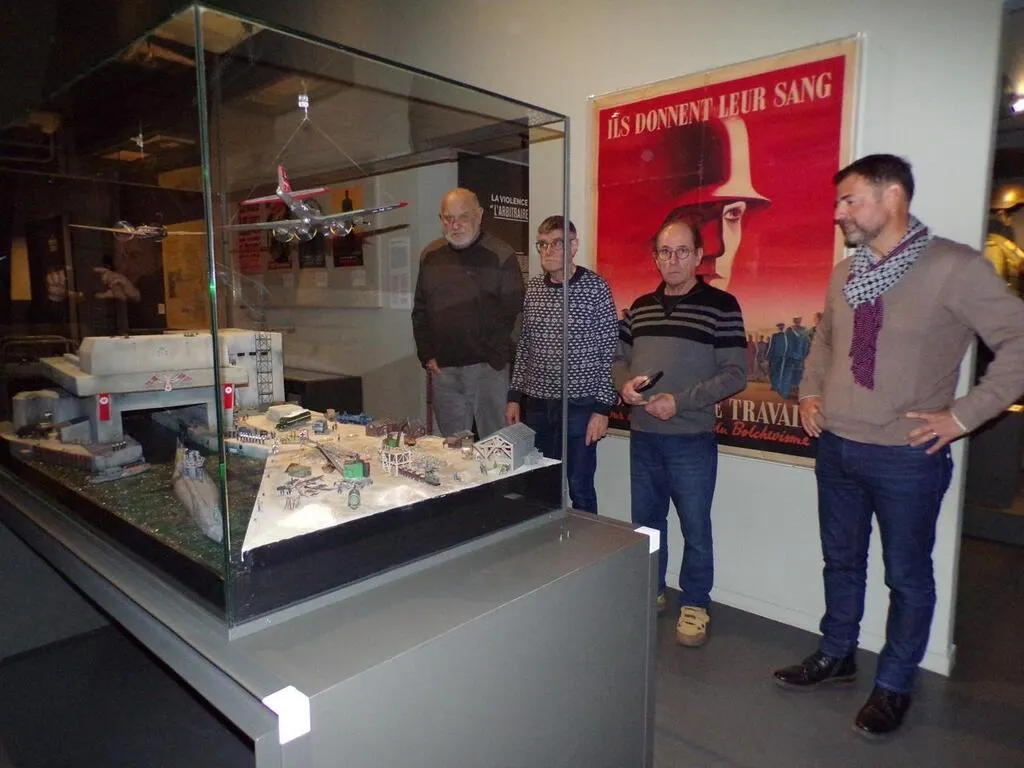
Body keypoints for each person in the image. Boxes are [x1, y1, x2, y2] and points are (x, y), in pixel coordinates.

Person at [772, 154, 1024, 738]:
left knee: (906, 577)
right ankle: (836, 655)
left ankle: (895, 684)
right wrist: (811, 395)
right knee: (841, 562)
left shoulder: (955, 268)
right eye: (839, 202)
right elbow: (825, 344)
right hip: (836, 447)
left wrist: (962, 416)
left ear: (892, 199)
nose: (838, 213)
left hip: (906, 459)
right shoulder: (845, 273)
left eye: (850, 200)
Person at [612, 213, 747, 647]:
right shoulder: (641, 308)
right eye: (664, 252)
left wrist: (680, 401)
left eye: (682, 251)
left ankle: (696, 603)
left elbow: (735, 374)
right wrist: (624, 385)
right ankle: (650, 589)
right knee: (647, 524)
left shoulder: (722, 307)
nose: (672, 260)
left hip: (691, 439)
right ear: (655, 258)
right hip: (644, 437)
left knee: (695, 526)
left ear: (699, 256)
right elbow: (617, 358)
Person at [505, 216, 619, 514]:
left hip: (581, 405)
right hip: (539, 405)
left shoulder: (596, 289)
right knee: (541, 483)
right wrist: (515, 395)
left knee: (580, 486)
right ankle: (546, 552)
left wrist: (603, 408)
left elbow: (611, 353)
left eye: (556, 243)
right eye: (542, 244)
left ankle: (586, 552)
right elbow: (525, 345)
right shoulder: (533, 290)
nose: (548, 251)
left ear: (573, 246)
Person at [412, 187, 525, 438]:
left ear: (479, 215)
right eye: (447, 218)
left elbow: (517, 313)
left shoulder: (500, 254)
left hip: (488, 371)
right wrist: (427, 354)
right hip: (444, 372)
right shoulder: (430, 255)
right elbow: (420, 310)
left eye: (462, 216)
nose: (455, 225)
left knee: (496, 449)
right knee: (452, 451)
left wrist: (501, 357)